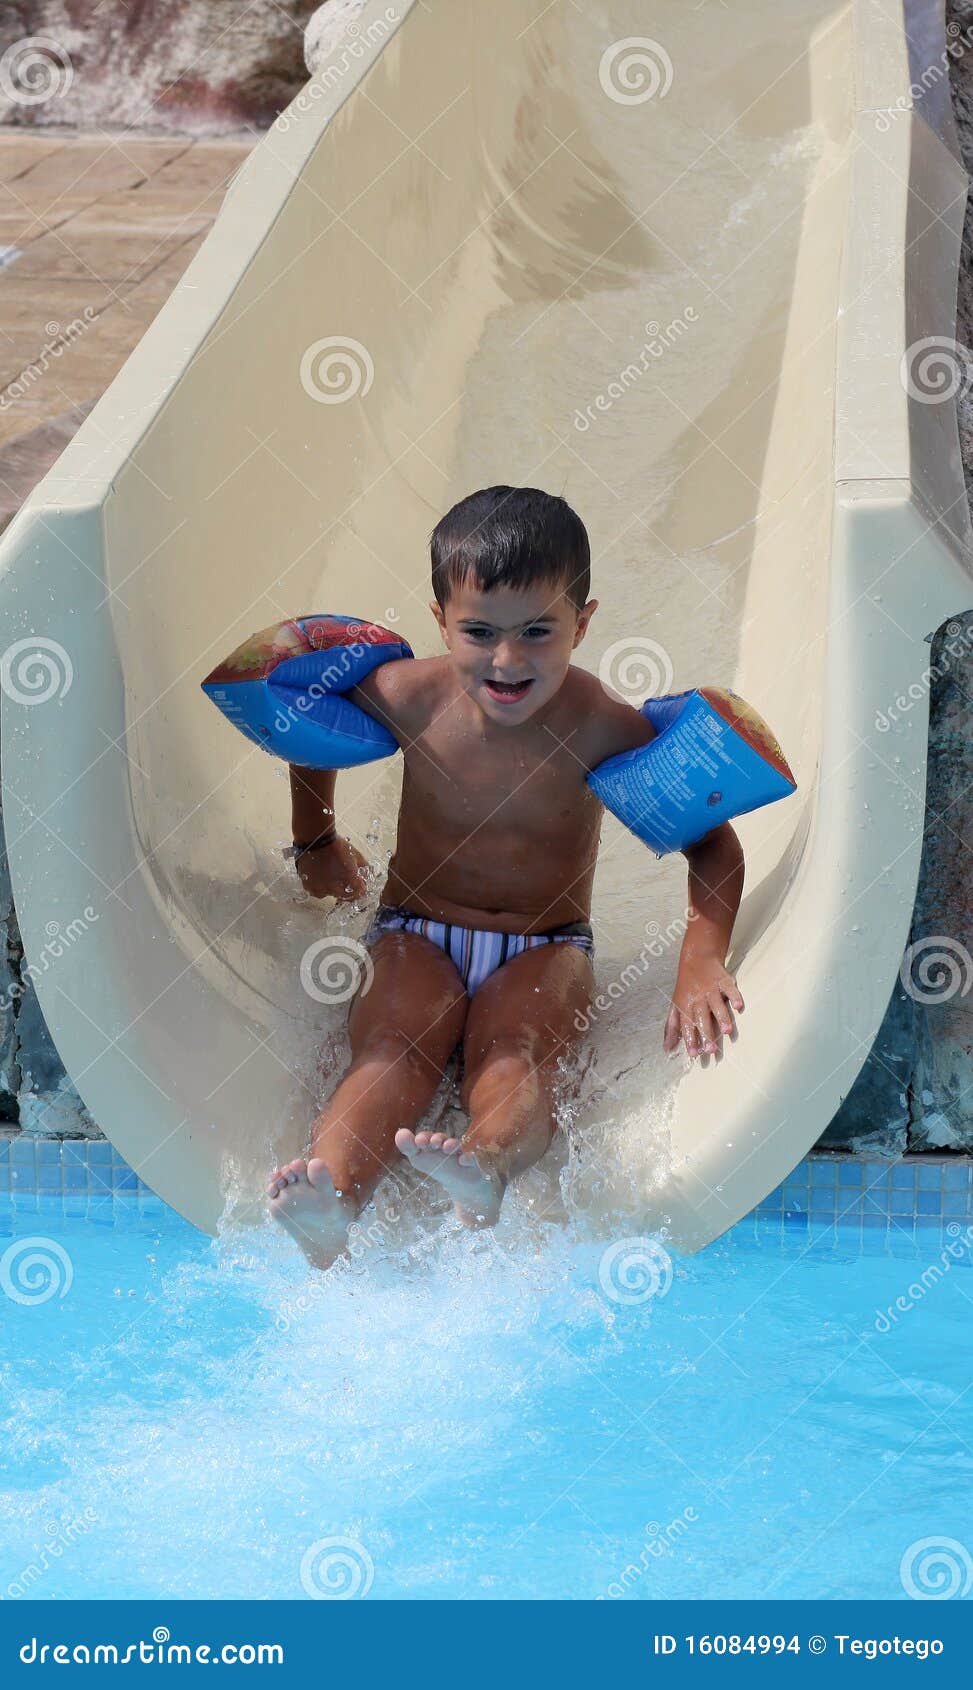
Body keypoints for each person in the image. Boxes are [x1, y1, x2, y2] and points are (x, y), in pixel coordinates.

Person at [268, 486, 745, 1268]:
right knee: (392, 1046)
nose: (507, 659)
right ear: (439, 619)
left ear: (582, 623)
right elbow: (310, 725)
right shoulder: (409, 696)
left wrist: (700, 955)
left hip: (542, 941)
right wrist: (315, 838)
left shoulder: (600, 723)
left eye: (538, 632)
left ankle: (482, 1166)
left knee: (515, 1052)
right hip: (414, 929)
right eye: (479, 631)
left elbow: (711, 844)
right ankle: (335, 1200)